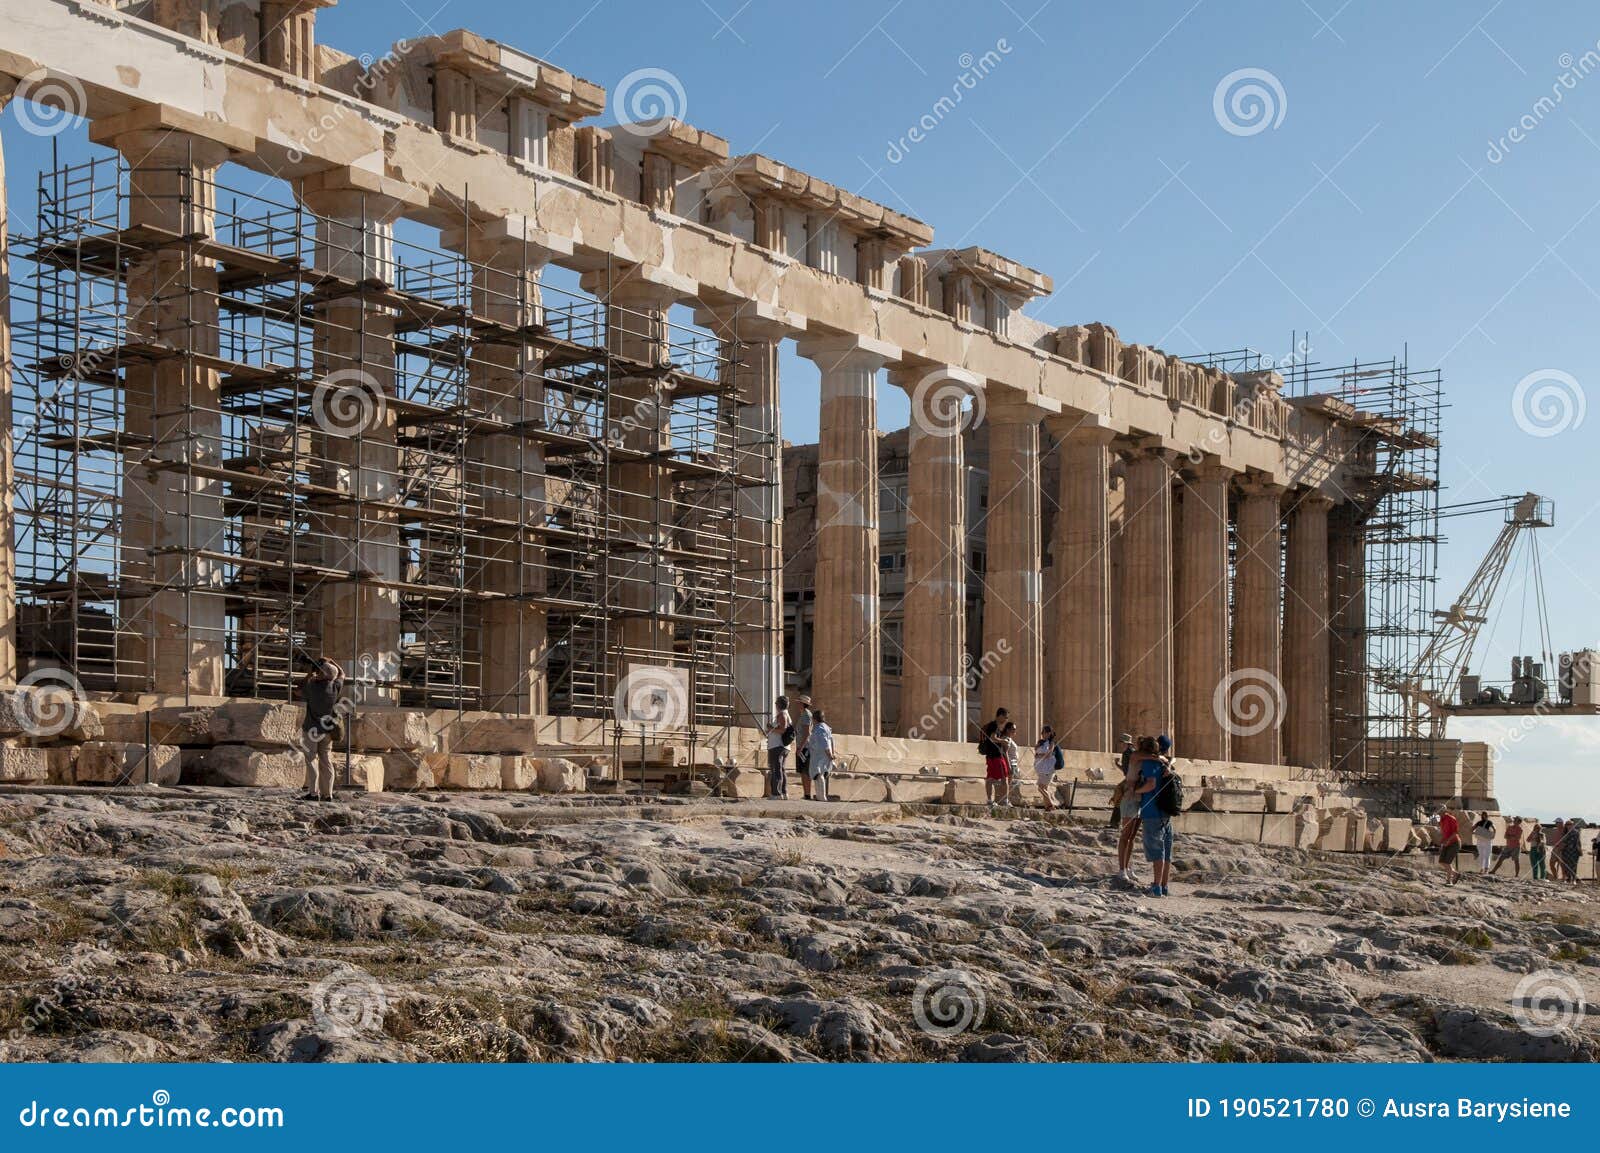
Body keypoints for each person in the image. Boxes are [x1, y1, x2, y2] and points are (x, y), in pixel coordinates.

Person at [1132, 736, 1173, 897]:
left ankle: (1156, 887)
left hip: (1152, 811)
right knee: (1166, 850)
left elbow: (1150, 784)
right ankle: (1164, 886)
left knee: (1157, 851)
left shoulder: (1149, 764)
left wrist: (1136, 790)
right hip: (1165, 812)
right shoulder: (1164, 763)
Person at [298, 657, 344, 802]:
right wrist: (332, 661)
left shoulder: (312, 686)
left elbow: (298, 691)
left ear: (321, 673)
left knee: (311, 760)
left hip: (311, 730)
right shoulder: (335, 686)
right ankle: (327, 794)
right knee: (326, 761)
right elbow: (342, 674)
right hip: (327, 731)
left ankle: (313, 793)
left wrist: (310, 673)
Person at [1115, 735, 1143, 885]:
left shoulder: (1133, 754)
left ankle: (1128, 866)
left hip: (1138, 798)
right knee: (1126, 835)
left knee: (1131, 836)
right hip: (1130, 797)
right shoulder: (1133, 755)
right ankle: (1122, 869)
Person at [979, 709, 1011, 811]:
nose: (1006, 720)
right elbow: (993, 738)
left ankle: (989, 800)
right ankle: (1005, 800)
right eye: (1005, 717)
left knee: (990, 778)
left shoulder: (992, 725)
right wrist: (1003, 741)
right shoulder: (994, 726)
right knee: (1004, 778)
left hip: (990, 756)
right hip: (997, 756)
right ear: (1000, 716)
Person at [766, 695, 792, 800]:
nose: (775, 705)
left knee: (776, 769)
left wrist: (770, 728)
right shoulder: (785, 714)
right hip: (782, 746)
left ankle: (776, 793)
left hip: (778, 746)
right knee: (781, 769)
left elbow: (782, 730)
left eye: (776, 703)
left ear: (779, 704)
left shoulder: (782, 714)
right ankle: (784, 792)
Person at [806, 707, 835, 803]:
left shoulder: (820, 728)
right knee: (817, 775)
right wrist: (832, 753)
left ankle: (822, 796)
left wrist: (830, 754)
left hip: (820, 755)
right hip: (821, 754)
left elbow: (825, 743)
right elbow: (831, 741)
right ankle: (819, 795)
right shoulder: (825, 727)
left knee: (819, 775)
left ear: (815, 719)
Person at [1033, 725, 1062, 811]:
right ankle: (1047, 807)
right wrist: (1039, 744)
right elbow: (1035, 749)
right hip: (1041, 769)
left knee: (1040, 788)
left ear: (1049, 733)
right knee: (1044, 788)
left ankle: (1051, 804)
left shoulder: (1051, 743)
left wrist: (1039, 755)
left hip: (1048, 769)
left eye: (1044, 732)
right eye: (1041, 732)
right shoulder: (1042, 742)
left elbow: (1049, 754)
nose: (1042, 734)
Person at [793, 695, 814, 800]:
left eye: (799, 702)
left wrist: (800, 748)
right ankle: (806, 793)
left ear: (802, 704)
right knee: (803, 771)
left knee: (805, 771)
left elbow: (807, 733)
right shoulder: (803, 714)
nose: (797, 704)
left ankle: (807, 794)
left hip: (804, 747)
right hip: (802, 746)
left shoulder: (806, 715)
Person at [999, 721, 1021, 807]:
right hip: (1010, 763)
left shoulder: (1008, 738)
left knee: (1008, 782)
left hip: (1013, 763)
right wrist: (1008, 766)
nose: (1015, 731)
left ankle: (1005, 799)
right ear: (1008, 730)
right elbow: (1005, 752)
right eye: (1013, 729)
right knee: (1007, 782)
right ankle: (1005, 800)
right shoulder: (1007, 739)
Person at [1436, 807, 1461, 885]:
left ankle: (1449, 881)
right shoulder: (1441, 821)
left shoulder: (1451, 818)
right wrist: (1441, 843)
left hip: (1454, 843)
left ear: (1444, 811)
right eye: (1438, 813)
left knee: (1447, 862)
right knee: (1441, 861)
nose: (1439, 814)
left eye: (1440, 813)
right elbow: (1444, 833)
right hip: (1446, 843)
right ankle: (1455, 874)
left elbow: (1455, 832)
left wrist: (1448, 840)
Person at [1562, 818, 1583, 884]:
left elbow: (1578, 842)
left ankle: (1574, 879)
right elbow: (1563, 842)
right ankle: (1568, 878)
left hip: (1574, 851)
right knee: (1566, 865)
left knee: (1573, 865)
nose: (1569, 825)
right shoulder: (1565, 833)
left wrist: (1580, 850)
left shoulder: (1576, 832)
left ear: (1573, 825)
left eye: (1570, 824)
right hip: (1566, 851)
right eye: (1567, 824)